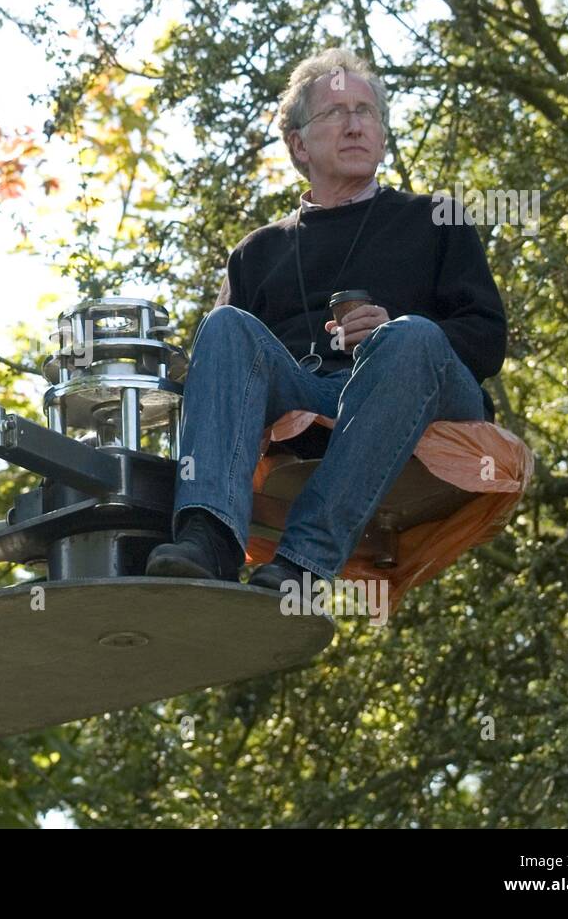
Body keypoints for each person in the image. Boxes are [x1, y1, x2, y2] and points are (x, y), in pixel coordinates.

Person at [146, 48, 507, 591]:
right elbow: (225, 379)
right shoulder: (257, 253)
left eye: (367, 112)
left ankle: (303, 565)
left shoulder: (436, 219)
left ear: (383, 138)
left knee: (410, 338)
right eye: (336, 112)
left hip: (424, 399)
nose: (356, 124)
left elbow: (486, 340)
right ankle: (210, 538)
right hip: (308, 405)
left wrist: (392, 328)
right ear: (298, 144)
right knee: (223, 329)